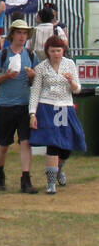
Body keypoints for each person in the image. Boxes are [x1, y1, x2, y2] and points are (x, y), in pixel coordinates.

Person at [0, 19, 38, 194]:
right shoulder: (2, 55)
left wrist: (32, 76)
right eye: (19, 33)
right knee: (4, 144)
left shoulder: (31, 55)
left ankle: (26, 178)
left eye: (25, 33)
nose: (22, 37)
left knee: (26, 142)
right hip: (5, 105)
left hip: (25, 105)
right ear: (12, 34)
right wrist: (6, 76)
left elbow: (36, 81)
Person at [30, 36, 86, 194]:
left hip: (65, 107)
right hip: (47, 106)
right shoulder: (41, 67)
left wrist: (71, 82)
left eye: (58, 50)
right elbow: (35, 92)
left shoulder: (69, 64)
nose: (56, 54)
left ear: (63, 51)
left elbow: (77, 89)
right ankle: (51, 181)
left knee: (67, 144)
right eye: (52, 50)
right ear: (47, 51)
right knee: (52, 143)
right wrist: (32, 113)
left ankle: (59, 168)